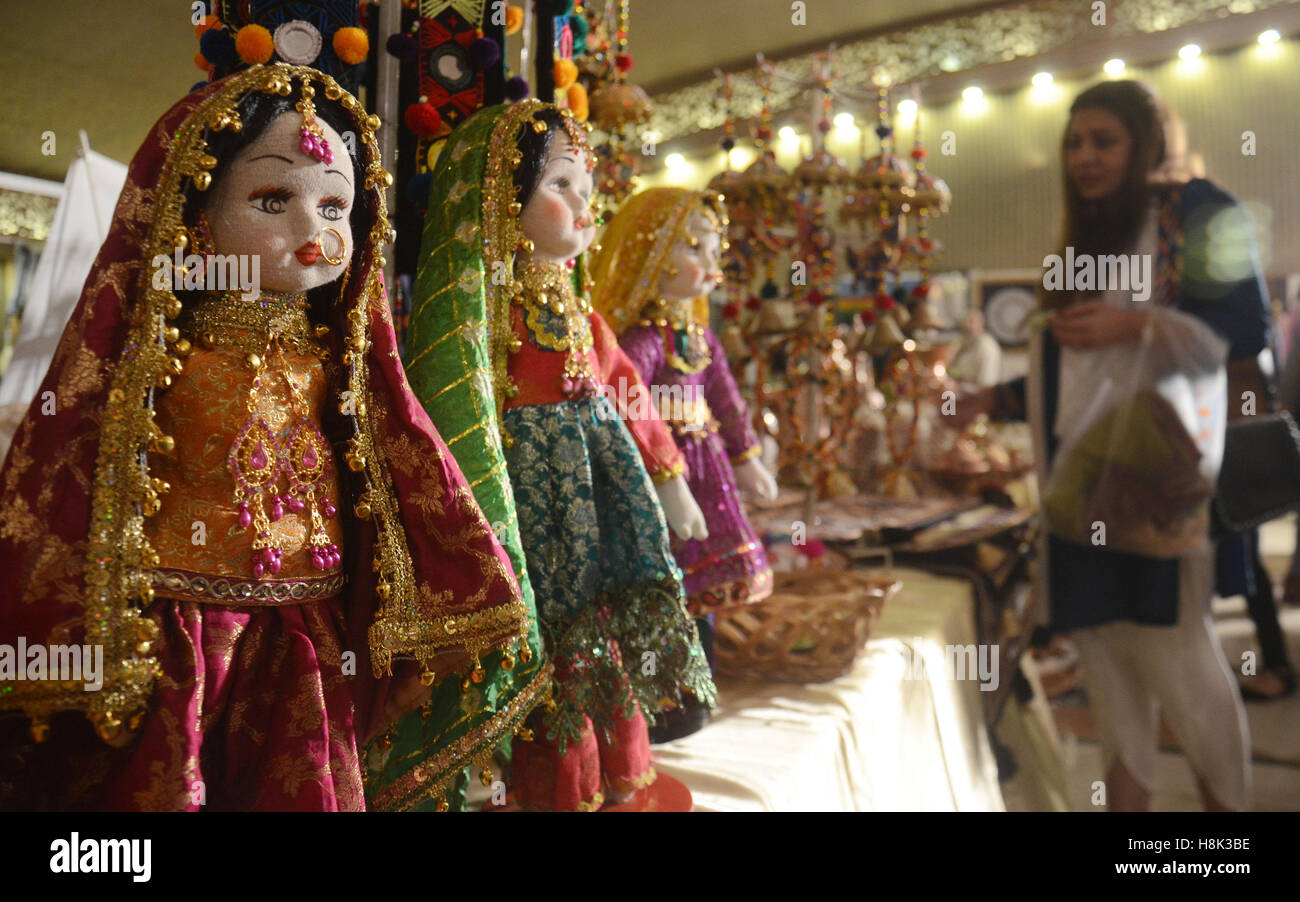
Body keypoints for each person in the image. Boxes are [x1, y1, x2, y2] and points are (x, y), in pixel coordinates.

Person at [0, 64, 528, 810]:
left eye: (337, 206)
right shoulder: (159, 358)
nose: (314, 232)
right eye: (273, 199)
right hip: (183, 634)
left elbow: (406, 466)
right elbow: (77, 472)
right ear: (192, 213)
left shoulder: (344, 366)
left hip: (305, 635)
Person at [955, 80, 1267, 812]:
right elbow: (1074, 374)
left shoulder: (1195, 210)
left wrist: (1140, 326)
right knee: (1105, 665)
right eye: (1074, 143)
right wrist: (988, 400)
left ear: (1144, 143)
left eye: (1105, 140)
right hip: (1075, 491)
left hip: (1158, 486)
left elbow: (1245, 333)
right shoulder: (1083, 239)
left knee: (1180, 664)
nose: (1085, 157)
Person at [400, 100, 715, 811]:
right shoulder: (483, 306)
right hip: (532, 498)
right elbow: (454, 406)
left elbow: (628, 389)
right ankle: (548, 786)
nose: (581, 207)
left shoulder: (578, 309)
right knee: (548, 640)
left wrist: (669, 479)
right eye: (559, 186)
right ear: (498, 200)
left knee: (597, 630)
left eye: (586, 191)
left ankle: (620, 774)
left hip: (599, 491)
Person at [947, 307, 1003, 387]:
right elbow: (952, 370)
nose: (966, 325)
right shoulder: (964, 344)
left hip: (978, 395)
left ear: (981, 324)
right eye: (964, 322)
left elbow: (986, 383)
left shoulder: (987, 347)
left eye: (971, 322)